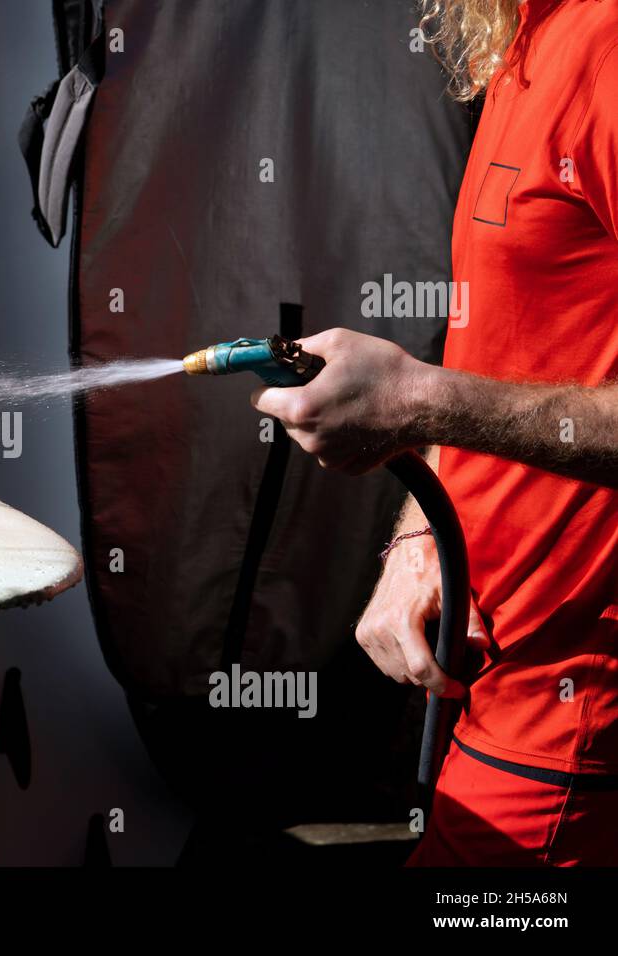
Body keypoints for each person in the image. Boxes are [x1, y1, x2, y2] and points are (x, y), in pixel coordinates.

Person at [252, 0, 618, 865]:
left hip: (573, 714)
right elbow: (509, 343)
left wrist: (417, 404)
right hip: (497, 670)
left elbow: (450, 389)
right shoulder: (529, 31)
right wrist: (422, 535)